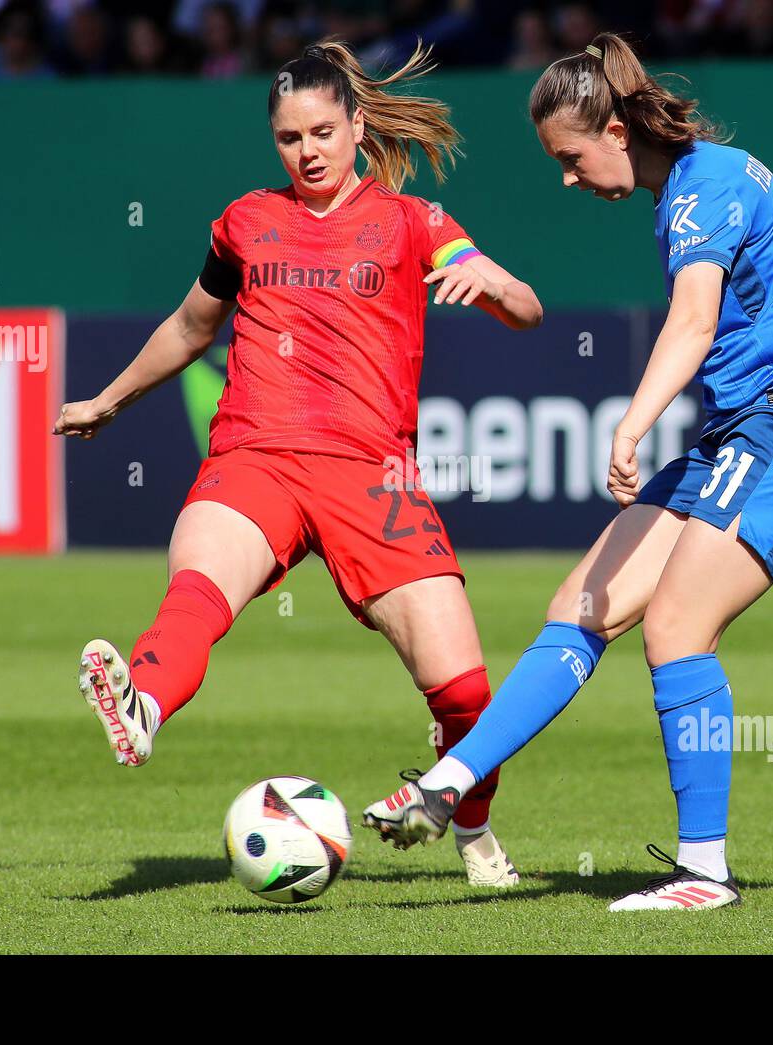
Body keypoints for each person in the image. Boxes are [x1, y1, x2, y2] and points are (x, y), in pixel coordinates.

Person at [362, 32, 773, 911]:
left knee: (676, 625)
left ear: (612, 128)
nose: (566, 177)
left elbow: (692, 323)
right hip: (742, 436)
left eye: (568, 156)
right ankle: (450, 783)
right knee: (583, 605)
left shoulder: (701, 190)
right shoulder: (695, 180)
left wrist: (630, 428)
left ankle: (705, 874)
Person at [54, 40, 543, 888]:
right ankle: (144, 702)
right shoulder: (245, 222)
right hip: (257, 453)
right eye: (289, 137)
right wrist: (108, 399)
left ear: (357, 125)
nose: (307, 150)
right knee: (196, 592)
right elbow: (188, 327)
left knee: (464, 692)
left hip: (371, 476)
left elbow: (528, 311)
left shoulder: (411, 222)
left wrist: (494, 286)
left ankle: (473, 827)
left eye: (321, 130)